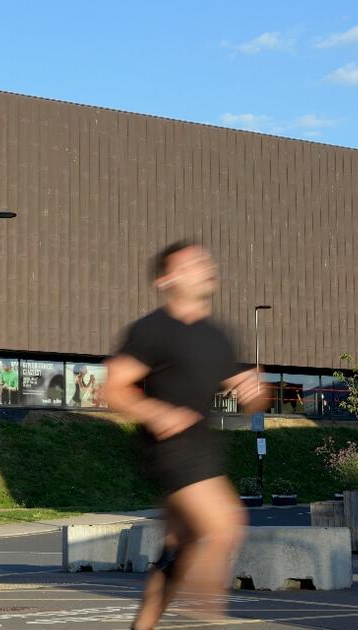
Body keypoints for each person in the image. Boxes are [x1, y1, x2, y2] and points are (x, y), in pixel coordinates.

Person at [103, 241, 268, 629]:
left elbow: (252, 401)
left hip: (204, 447)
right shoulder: (152, 330)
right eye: (191, 263)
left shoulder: (218, 336)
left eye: (205, 260)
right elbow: (112, 389)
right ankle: (206, 614)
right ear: (166, 279)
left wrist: (254, 389)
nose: (204, 266)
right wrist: (155, 410)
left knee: (178, 551)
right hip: (168, 449)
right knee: (226, 524)